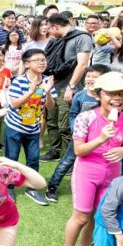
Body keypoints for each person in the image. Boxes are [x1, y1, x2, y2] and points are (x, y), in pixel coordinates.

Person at [63, 72, 123, 246]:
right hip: (87, 172)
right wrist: (101, 139)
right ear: (98, 95)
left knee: (100, 214)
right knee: (81, 217)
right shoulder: (86, 117)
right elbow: (78, 150)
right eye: (111, 93)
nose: (117, 99)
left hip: (112, 175)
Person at [46, 64, 108, 202]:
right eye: (88, 76)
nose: (90, 79)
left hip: (100, 139)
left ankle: (94, 190)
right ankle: (52, 186)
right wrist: (76, 129)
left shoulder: (106, 98)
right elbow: (73, 114)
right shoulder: (79, 96)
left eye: (95, 77)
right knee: (67, 161)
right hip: (80, 138)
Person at [4, 49, 56, 205]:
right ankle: (9, 187)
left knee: (33, 159)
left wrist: (47, 92)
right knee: (12, 158)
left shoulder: (47, 81)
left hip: (33, 129)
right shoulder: (19, 81)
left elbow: (51, 107)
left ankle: (32, 188)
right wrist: (30, 92)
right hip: (14, 127)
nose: (42, 63)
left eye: (43, 60)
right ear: (27, 64)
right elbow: (14, 104)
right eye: (37, 60)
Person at [42, 13, 94, 161]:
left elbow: (82, 64)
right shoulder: (58, 40)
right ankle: (54, 151)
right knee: (52, 121)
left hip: (70, 88)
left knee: (64, 125)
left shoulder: (82, 37)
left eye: (49, 28)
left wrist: (71, 87)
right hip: (54, 86)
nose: (48, 31)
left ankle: (69, 158)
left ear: (55, 26)